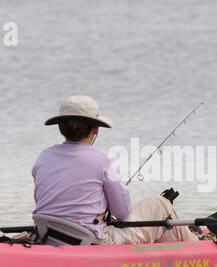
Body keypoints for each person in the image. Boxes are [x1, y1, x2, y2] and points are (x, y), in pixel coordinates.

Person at [32, 95, 193, 244]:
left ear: (60, 128)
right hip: (92, 241)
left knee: (140, 207)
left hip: (50, 235)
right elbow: (123, 214)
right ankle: (197, 248)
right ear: (96, 129)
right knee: (160, 204)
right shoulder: (104, 161)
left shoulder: (43, 158)